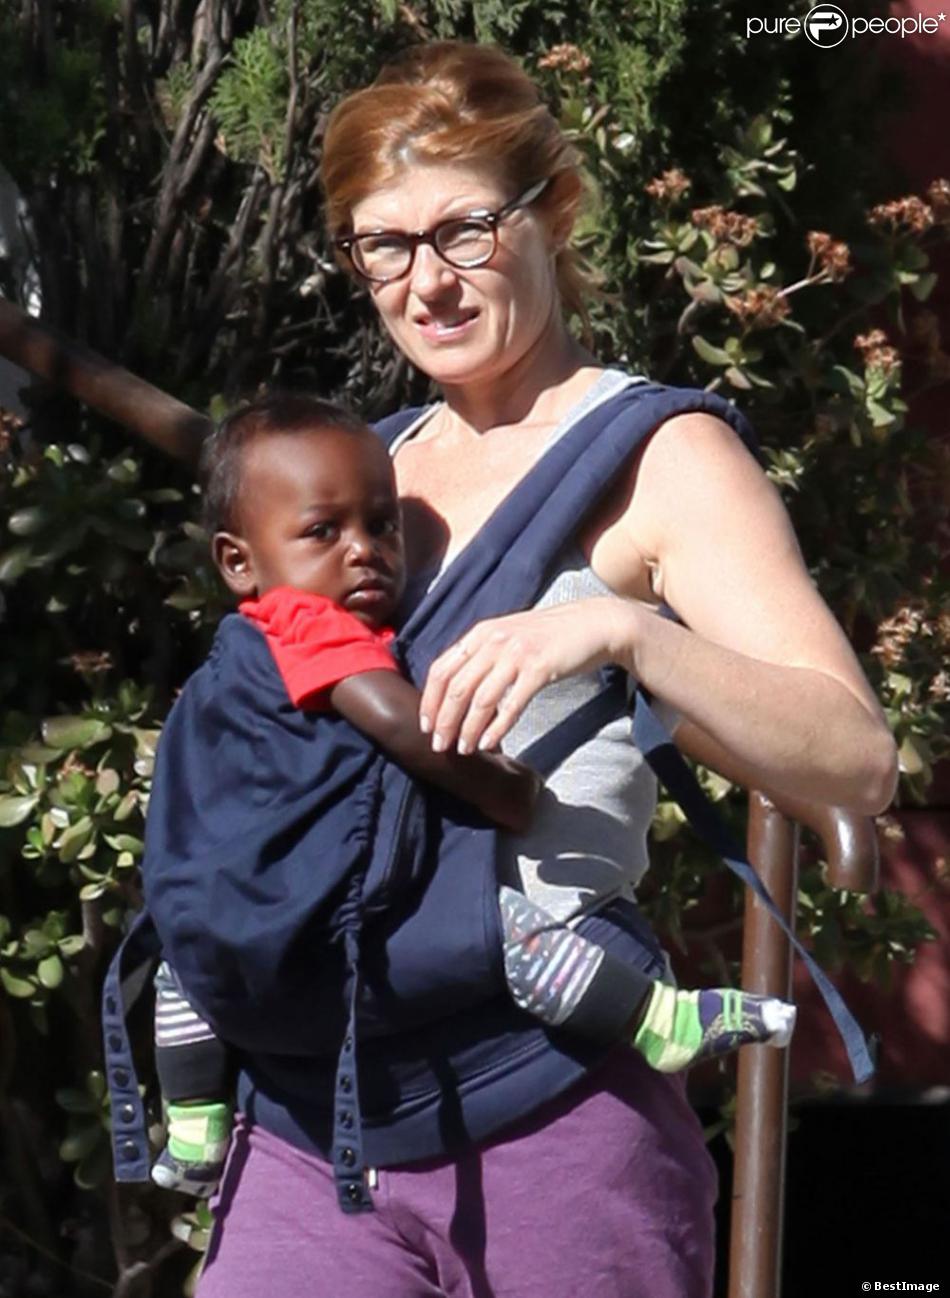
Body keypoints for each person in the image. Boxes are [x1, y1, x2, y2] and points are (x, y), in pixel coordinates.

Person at [195, 41, 897, 1298]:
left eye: (466, 229)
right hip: (319, 1115)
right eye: (385, 244)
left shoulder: (659, 456)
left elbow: (853, 755)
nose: (429, 282)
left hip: (546, 1108)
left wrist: (622, 633)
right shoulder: (370, 471)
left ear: (552, 211)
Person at [151, 393, 795, 1197]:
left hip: (248, 909)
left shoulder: (244, 643)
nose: (364, 553)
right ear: (238, 562)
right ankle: (653, 1019)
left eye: (382, 526)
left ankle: (193, 1127)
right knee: (502, 934)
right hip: (329, 906)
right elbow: (401, 723)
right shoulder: (306, 627)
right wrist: (507, 789)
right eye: (324, 533)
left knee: (186, 966)